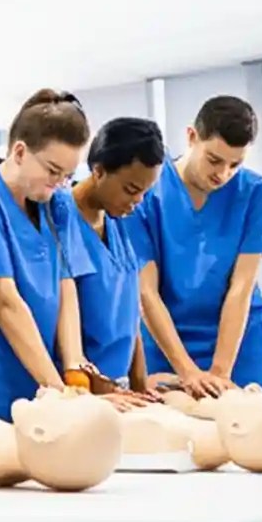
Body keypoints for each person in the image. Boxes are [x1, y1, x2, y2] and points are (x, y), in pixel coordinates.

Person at [0, 90, 116, 421]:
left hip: (33, 385)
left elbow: (66, 285)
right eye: (53, 170)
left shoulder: (57, 205)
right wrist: (58, 392)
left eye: (68, 176)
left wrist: (74, 372)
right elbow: (6, 303)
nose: (60, 183)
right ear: (20, 151)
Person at [128, 96, 262, 396]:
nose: (223, 174)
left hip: (237, 342)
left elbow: (241, 287)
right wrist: (186, 370)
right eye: (214, 160)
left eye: (235, 165)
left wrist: (220, 373)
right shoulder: (148, 192)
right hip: (166, 338)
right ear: (191, 137)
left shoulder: (257, 193)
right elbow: (145, 291)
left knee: (241, 427)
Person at [69, 118, 166, 392]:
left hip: (117, 388)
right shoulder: (61, 221)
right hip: (80, 390)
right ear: (98, 171)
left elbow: (129, 315)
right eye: (131, 190)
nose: (137, 202)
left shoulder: (119, 223)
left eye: (145, 193)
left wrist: (140, 387)